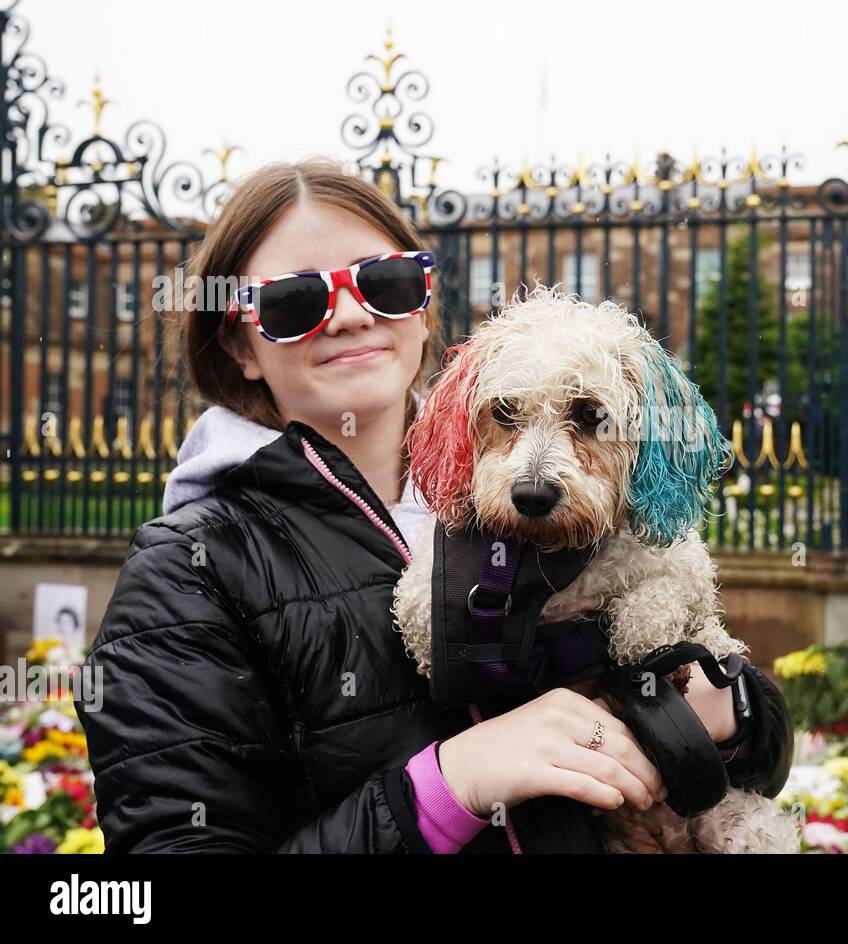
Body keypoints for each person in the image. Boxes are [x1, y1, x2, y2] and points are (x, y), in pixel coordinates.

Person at [74, 158, 793, 853]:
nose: (352, 316)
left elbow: (753, 752)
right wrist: (448, 787)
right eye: (295, 302)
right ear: (241, 345)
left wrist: (738, 717)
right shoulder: (186, 573)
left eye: (383, 283)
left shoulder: (551, 500)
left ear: (421, 312)